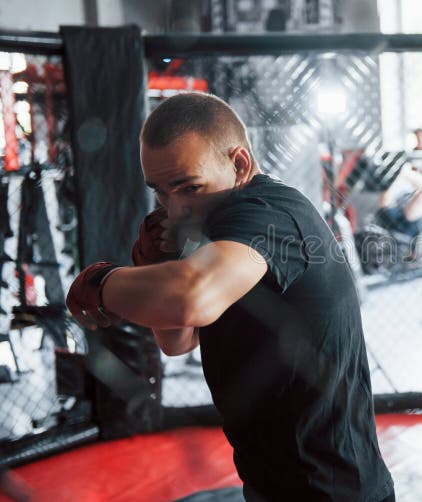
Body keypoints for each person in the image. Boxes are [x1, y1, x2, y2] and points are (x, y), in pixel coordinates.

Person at [65, 92, 395, 502]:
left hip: (331, 490)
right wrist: (161, 263)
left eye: (189, 187)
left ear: (238, 164)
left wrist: (104, 282)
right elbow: (176, 338)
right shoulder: (213, 228)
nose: (175, 208)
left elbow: (192, 299)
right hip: (272, 480)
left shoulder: (268, 215)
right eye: (161, 193)